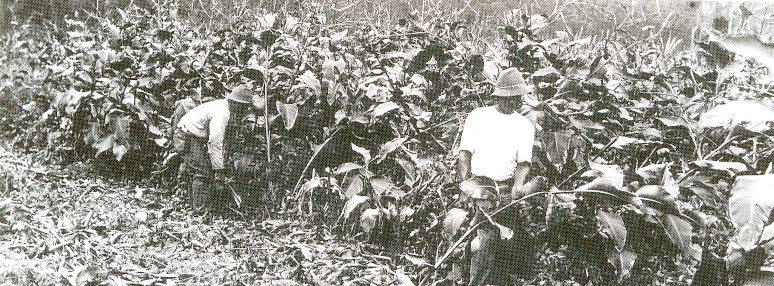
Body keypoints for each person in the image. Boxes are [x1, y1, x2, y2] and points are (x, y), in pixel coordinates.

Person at [457, 67, 536, 286]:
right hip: (479, 187)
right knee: (480, 241)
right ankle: (470, 280)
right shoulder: (479, 117)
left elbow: (523, 163)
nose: (517, 102)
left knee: (497, 243)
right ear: (501, 96)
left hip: (504, 189)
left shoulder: (524, 125)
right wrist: (465, 186)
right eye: (513, 97)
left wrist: (518, 185)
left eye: (519, 98)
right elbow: (464, 154)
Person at [173, 84, 263, 214]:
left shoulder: (223, 105)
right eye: (245, 107)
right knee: (202, 172)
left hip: (191, 136)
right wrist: (219, 170)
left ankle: (196, 207)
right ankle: (200, 212)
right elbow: (215, 142)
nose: (245, 110)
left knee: (202, 171)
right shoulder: (222, 113)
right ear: (237, 104)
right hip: (186, 136)